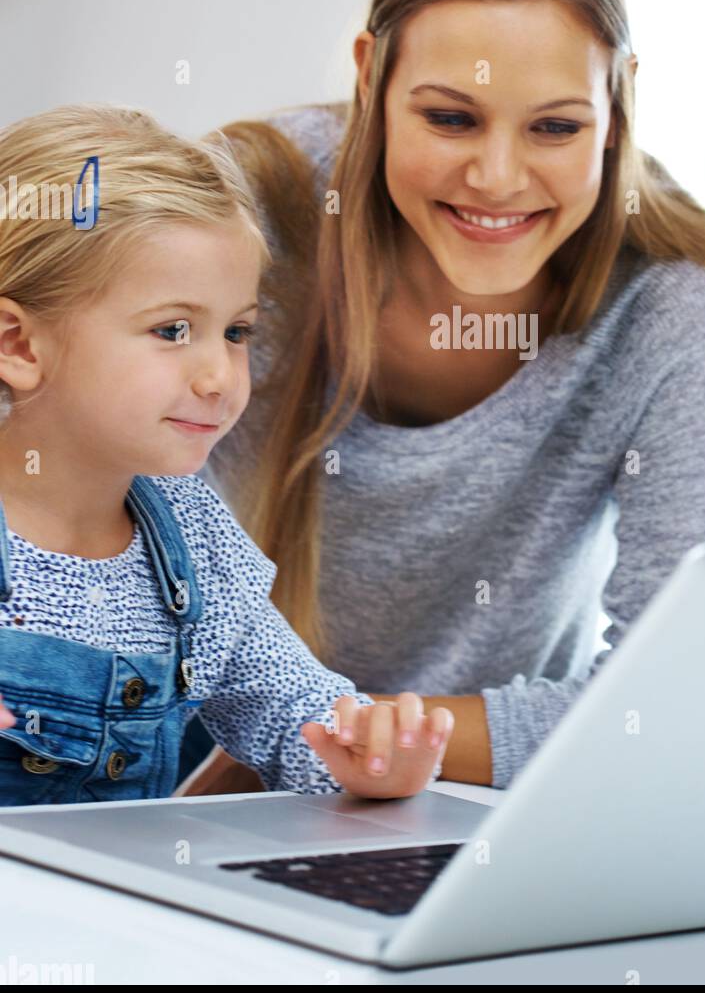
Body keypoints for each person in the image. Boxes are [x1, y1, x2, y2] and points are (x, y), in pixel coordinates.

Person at [182, 0, 705, 798]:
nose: (497, 177)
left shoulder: (671, 303)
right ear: (370, 77)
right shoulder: (247, 212)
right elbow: (47, 426)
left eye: (556, 127)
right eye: (450, 118)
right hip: (171, 763)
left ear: (618, 101)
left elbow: (669, 699)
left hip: (476, 800)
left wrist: (322, 733)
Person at [0, 103, 453, 805]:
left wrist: (363, 752)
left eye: (237, 331)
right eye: (173, 329)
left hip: (122, 902)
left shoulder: (191, 538)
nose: (219, 376)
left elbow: (288, 710)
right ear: (18, 346)